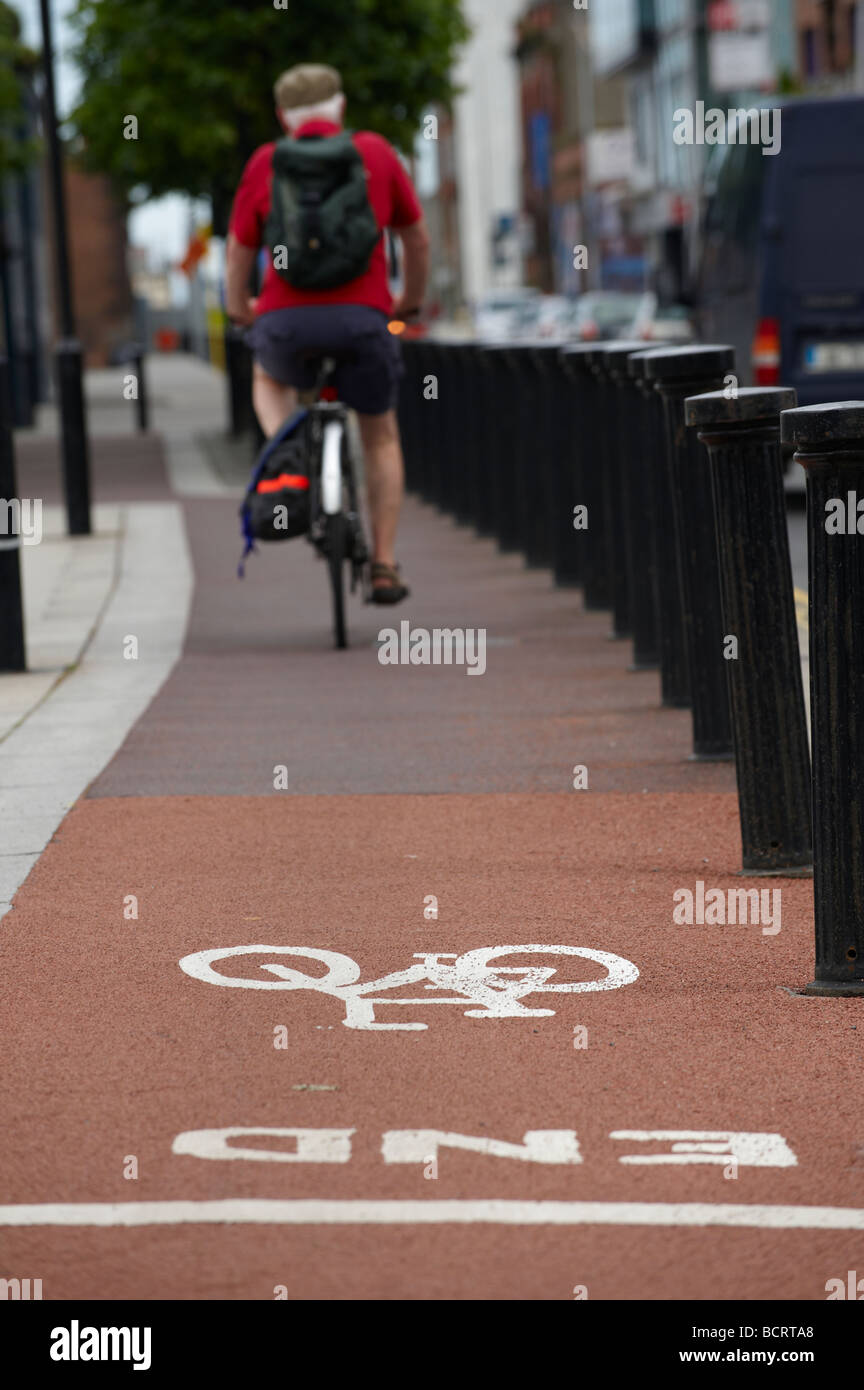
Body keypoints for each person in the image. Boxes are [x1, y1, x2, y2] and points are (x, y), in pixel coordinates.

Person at [225, 63, 430, 603]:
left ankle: (286, 446)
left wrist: (240, 308)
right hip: (365, 320)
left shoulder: (266, 163)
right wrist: (406, 303)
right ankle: (384, 564)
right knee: (380, 434)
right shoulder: (376, 154)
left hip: (285, 322)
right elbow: (416, 238)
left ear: (281, 115)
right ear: (339, 106)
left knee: (268, 375)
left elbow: (239, 248)